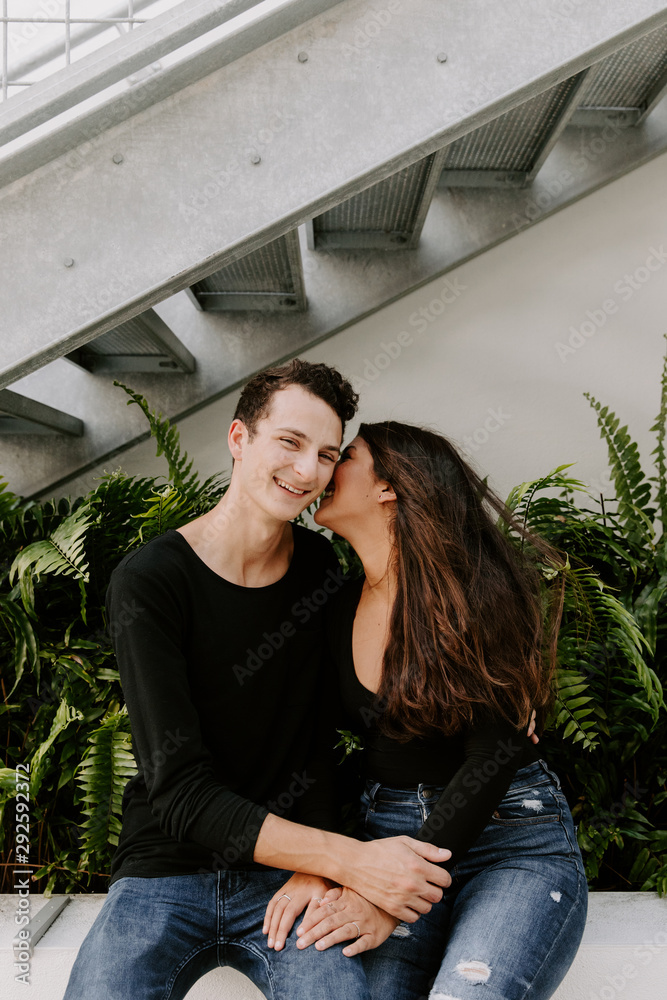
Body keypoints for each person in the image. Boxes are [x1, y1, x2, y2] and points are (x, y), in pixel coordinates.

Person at [62, 364, 452, 1000]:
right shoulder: (151, 582)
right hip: (165, 868)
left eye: (328, 455)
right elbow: (181, 792)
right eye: (290, 443)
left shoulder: (322, 568)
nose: (308, 471)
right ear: (240, 437)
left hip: (287, 881)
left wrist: (311, 871)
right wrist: (341, 859)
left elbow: (319, 743)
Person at [267, 421, 588, 1000]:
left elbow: (494, 753)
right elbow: (310, 744)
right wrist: (326, 860)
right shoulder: (335, 606)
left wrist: (386, 897)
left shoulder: (470, 591)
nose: (322, 470)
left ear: (388, 486)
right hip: (385, 835)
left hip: (508, 841)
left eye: (345, 457)